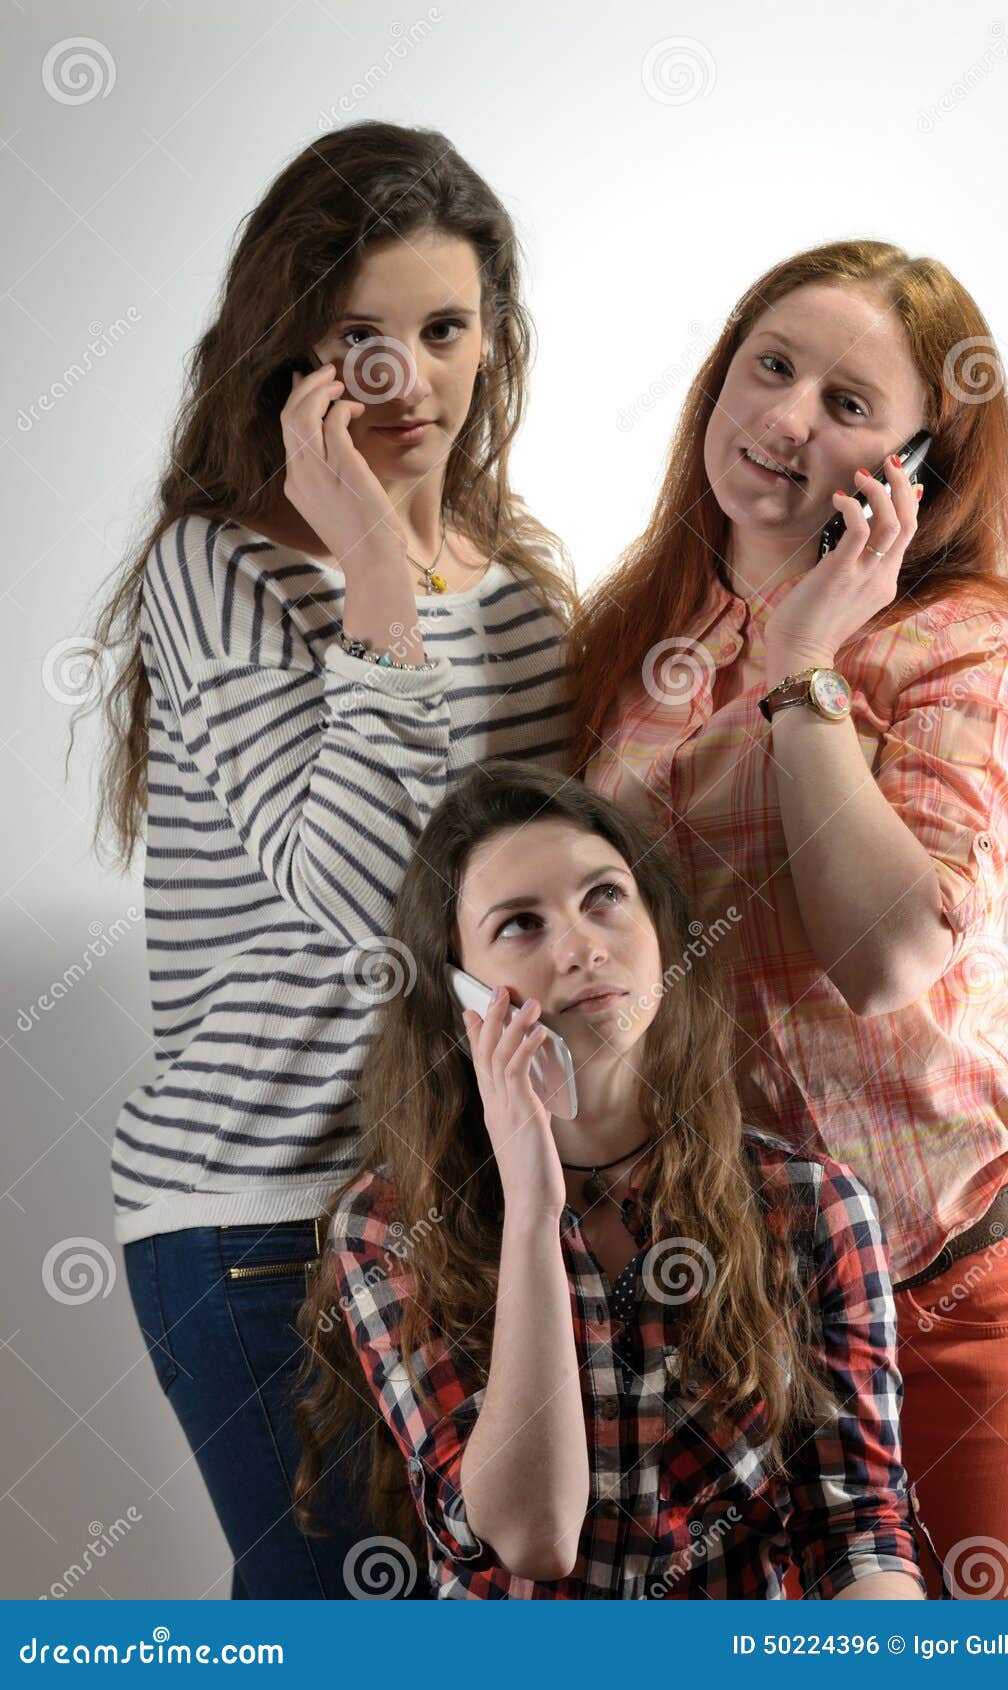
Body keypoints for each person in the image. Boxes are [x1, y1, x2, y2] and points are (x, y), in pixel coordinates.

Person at [74, 121, 575, 1599]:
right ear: (292, 346)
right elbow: (361, 902)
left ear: (493, 339)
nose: (407, 378)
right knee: (339, 1630)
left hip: (464, 1205)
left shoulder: (521, 594)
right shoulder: (217, 563)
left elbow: (533, 908)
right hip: (261, 1212)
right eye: (362, 338)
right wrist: (371, 567)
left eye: (445, 330)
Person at [567, 239, 1008, 1599]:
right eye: (769, 365)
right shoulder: (637, 639)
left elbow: (886, 955)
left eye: (847, 403)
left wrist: (800, 668)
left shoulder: (965, 640)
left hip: (946, 1282)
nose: (785, 419)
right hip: (737, 1318)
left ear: (917, 466)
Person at [293, 758, 927, 1600]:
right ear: (459, 991)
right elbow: (533, 1536)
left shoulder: (810, 1201)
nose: (582, 948)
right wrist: (532, 1209)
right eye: (521, 924)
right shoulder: (388, 1224)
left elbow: (855, 1529)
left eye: (604, 898)